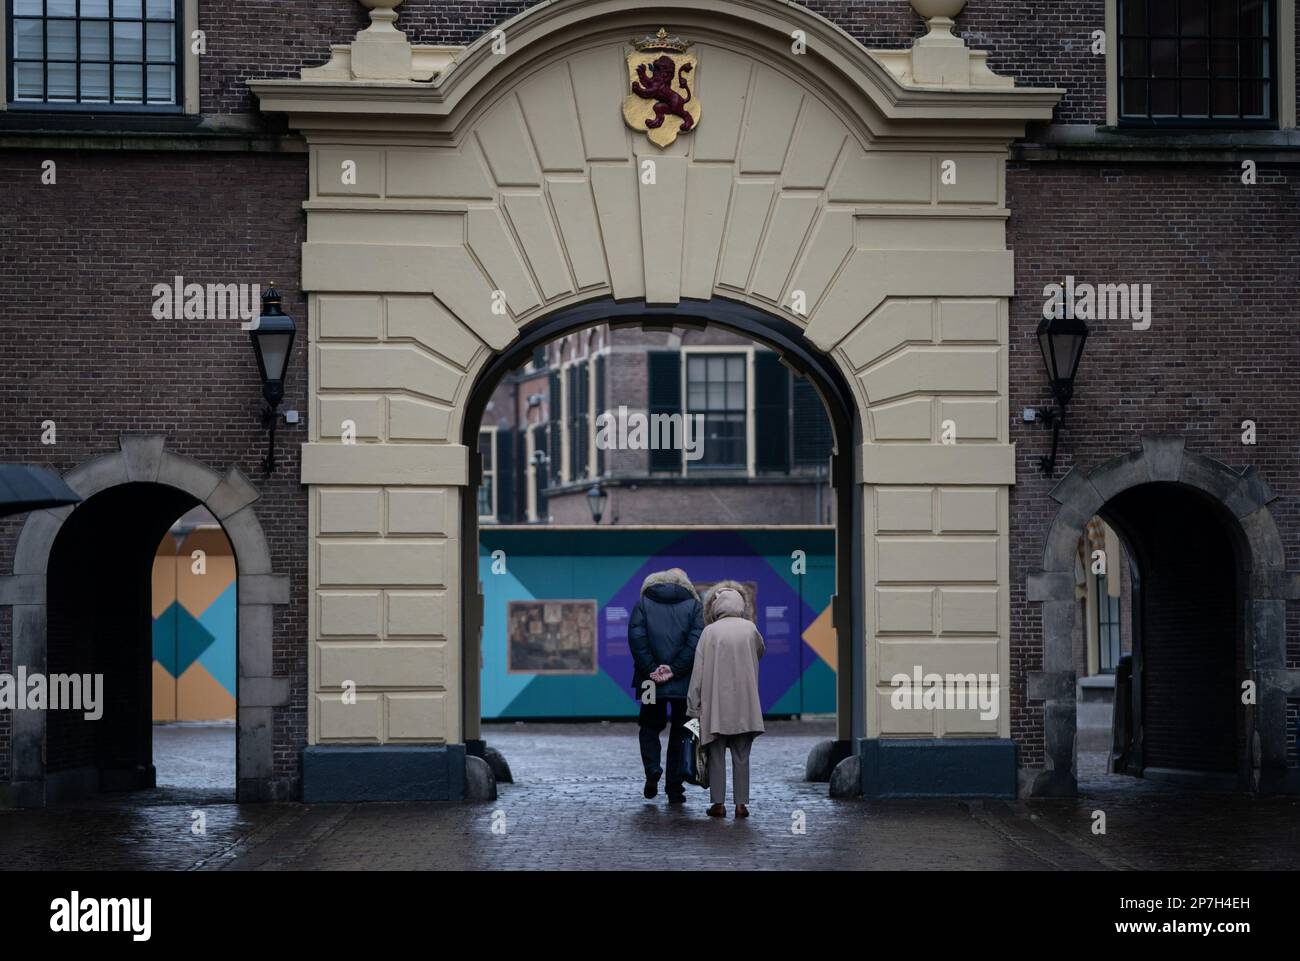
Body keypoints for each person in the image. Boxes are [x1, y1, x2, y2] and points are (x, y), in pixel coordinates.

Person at [687, 580, 765, 818]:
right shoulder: (750, 629)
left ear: (715, 606)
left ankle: (718, 804)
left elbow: (698, 671)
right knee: (742, 756)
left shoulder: (709, 632)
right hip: (745, 704)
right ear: (741, 605)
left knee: (716, 755)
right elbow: (760, 651)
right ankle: (741, 804)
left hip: (716, 707)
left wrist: (693, 705)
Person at [628, 567, 704, 804]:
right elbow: (696, 641)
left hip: (651, 681)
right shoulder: (694, 606)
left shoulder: (643, 603)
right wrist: (674, 669)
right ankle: (674, 788)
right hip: (683, 681)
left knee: (649, 726)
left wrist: (652, 668)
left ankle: (652, 768)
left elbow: (636, 638)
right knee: (682, 731)